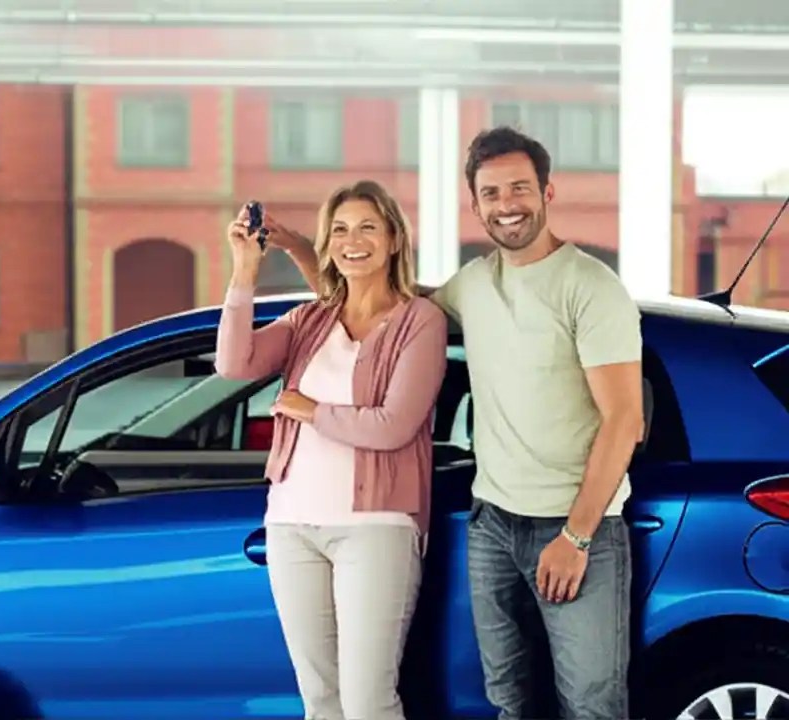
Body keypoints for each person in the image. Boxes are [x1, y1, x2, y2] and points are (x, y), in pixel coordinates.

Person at [262, 126, 644, 720]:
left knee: (591, 705)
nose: (507, 204)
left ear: (548, 191)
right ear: (476, 205)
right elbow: (374, 303)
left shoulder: (590, 287)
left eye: (519, 188)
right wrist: (299, 248)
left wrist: (575, 537)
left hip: (576, 527)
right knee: (510, 701)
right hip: (492, 523)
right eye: (491, 193)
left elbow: (625, 421)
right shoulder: (475, 284)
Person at [215, 179, 447, 720]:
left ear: (393, 239)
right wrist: (245, 269)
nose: (353, 240)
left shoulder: (420, 321)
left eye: (368, 227)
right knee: (322, 702)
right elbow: (233, 364)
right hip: (292, 526)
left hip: (375, 527)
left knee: (368, 703)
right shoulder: (311, 319)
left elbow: (393, 426)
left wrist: (309, 409)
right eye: (340, 229)